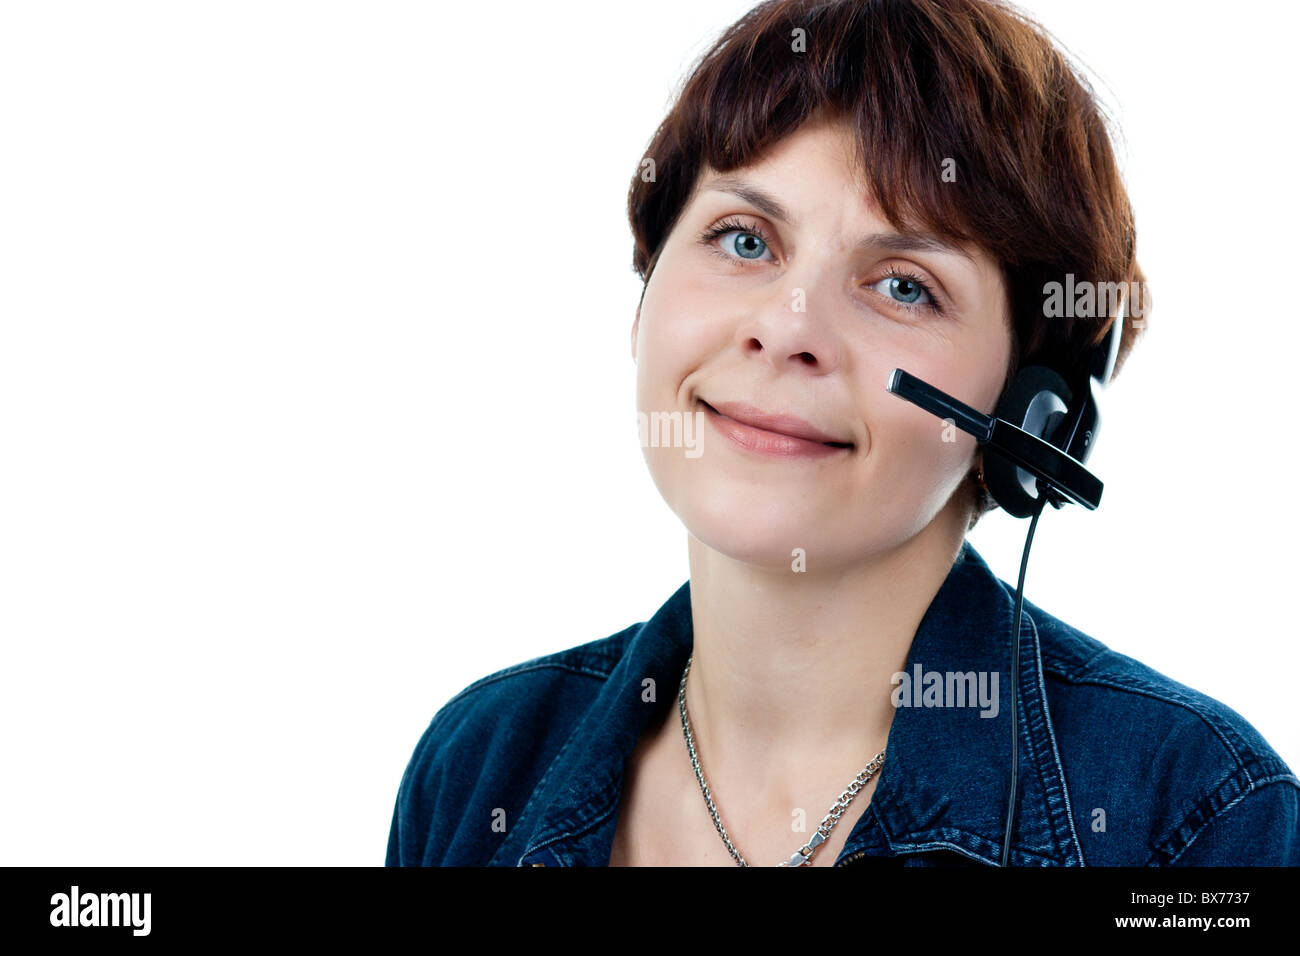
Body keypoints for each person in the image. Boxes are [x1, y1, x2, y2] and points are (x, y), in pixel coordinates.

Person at [385, 0, 1300, 866]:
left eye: (903, 285)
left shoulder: (1195, 817)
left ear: (1032, 415)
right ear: (646, 292)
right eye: (745, 239)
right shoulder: (482, 765)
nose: (785, 328)